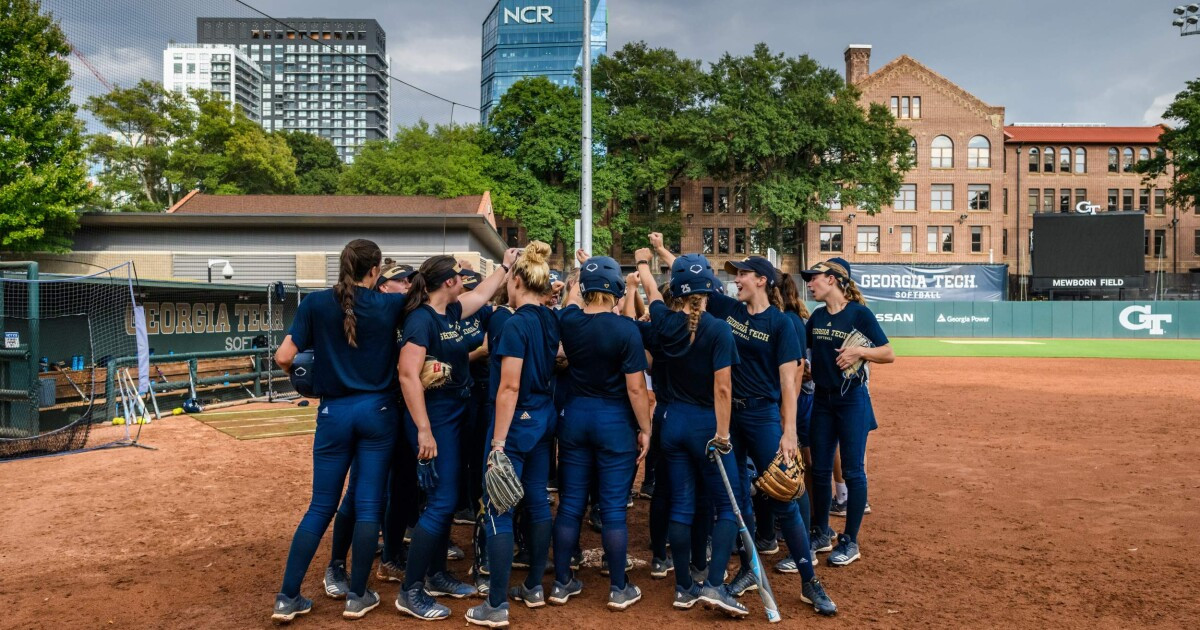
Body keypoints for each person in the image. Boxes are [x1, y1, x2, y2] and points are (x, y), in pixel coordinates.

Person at [648, 233, 837, 617]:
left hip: (765, 416)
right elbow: (690, 278)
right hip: (730, 419)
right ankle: (743, 573)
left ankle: (808, 581)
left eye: (743, 274)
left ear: (762, 280)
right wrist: (660, 252)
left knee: (784, 498)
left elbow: (791, 382)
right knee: (736, 505)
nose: (736, 279)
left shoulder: (784, 324)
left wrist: (789, 432)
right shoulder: (727, 311)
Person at [270, 239, 408, 622]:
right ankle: (357, 596)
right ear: (375, 271)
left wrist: (315, 383)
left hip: (333, 412)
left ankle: (287, 597)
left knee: (320, 507)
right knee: (368, 506)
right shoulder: (389, 304)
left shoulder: (315, 303)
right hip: (377, 412)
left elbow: (285, 357)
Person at [395, 250, 517, 621]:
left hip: (454, 411)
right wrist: (424, 430)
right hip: (434, 417)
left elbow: (481, 296)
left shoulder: (447, 311)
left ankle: (435, 575)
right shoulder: (421, 320)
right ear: (448, 282)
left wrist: (505, 266)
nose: (465, 281)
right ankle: (410, 590)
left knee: (446, 498)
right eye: (460, 277)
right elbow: (406, 375)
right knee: (443, 500)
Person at [632, 248, 749, 616]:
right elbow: (724, 389)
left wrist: (643, 267)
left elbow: (652, 295)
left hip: (672, 423)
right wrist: (724, 434)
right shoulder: (717, 328)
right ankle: (714, 584)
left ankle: (683, 587)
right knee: (727, 509)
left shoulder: (664, 321)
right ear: (708, 291)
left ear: (678, 291)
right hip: (705, 425)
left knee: (681, 506)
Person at [548, 256, 652, 611]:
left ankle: (562, 583)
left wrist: (578, 283)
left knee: (571, 504)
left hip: (576, 417)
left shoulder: (570, 320)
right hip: (613, 421)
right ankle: (618, 588)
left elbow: (571, 304)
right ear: (616, 291)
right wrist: (646, 428)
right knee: (611, 509)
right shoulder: (626, 329)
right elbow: (637, 389)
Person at [466, 242, 561, 628]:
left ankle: (496, 604)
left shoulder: (515, 322)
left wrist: (498, 443)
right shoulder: (551, 319)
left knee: (499, 506)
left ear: (517, 280)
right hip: (544, 415)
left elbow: (508, 387)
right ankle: (534, 586)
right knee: (537, 500)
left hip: (516, 421)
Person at [321, 263, 421, 595]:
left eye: (410, 280)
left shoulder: (404, 314)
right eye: (400, 280)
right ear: (381, 285)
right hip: (373, 413)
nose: (407, 284)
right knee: (358, 495)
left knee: (403, 488)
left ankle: (391, 555)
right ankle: (336, 563)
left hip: (400, 414)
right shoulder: (371, 313)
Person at [802, 257, 893, 567]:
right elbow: (805, 357)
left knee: (853, 471)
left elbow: (888, 352)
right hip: (823, 402)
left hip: (851, 399)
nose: (810, 282)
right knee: (819, 469)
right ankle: (820, 533)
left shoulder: (859, 314)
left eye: (815, 277)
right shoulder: (815, 317)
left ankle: (850, 541)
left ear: (833, 280)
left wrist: (860, 351)